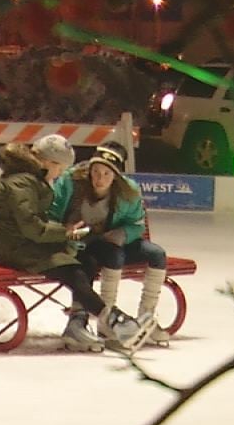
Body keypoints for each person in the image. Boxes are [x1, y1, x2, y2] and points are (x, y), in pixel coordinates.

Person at [0, 136, 150, 352]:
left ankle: (84, 324)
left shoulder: (30, 179)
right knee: (73, 270)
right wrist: (67, 233)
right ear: (49, 162)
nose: (60, 174)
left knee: (83, 263)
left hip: (28, 245)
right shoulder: (20, 182)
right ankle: (114, 321)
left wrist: (67, 234)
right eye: (60, 167)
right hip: (16, 249)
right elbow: (33, 228)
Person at [47, 140, 172, 347]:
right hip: (77, 244)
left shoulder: (128, 191)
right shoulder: (70, 182)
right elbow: (52, 213)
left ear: (116, 176)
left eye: (107, 174)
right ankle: (106, 322)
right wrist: (64, 229)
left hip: (109, 241)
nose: (100, 179)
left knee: (157, 254)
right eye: (96, 172)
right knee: (109, 257)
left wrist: (122, 233)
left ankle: (147, 316)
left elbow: (137, 224)